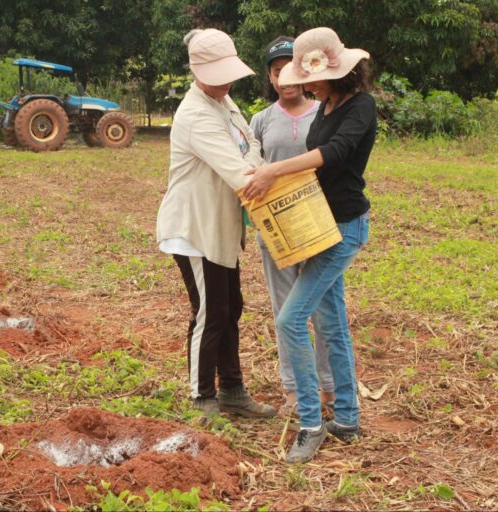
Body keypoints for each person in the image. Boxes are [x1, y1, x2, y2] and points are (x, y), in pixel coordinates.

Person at [243, 27, 375, 463]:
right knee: (332, 322)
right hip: (318, 226)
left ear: (337, 73)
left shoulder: (361, 107)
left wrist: (273, 172)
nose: (302, 84)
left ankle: (311, 423)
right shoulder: (329, 104)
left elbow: (334, 153)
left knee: (289, 320)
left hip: (344, 229)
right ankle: (349, 419)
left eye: (309, 76)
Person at [156, 28, 276, 420]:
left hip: (220, 225)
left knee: (232, 307)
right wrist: (267, 174)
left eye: (229, 72)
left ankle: (234, 390)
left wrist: (257, 167)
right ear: (197, 70)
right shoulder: (194, 114)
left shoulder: (224, 103)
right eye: (218, 73)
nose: (227, 81)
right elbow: (238, 169)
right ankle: (202, 397)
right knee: (211, 310)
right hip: (195, 227)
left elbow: (251, 147)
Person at [249, 36, 335, 418]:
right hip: (277, 231)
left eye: (290, 68)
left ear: (304, 73)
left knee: (321, 308)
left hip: (317, 224)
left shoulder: (325, 113)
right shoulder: (261, 121)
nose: (284, 77)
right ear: (269, 76)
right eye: (276, 69)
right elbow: (250, 171)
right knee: (284, 309)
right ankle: (294, 390)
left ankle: (328, 388)